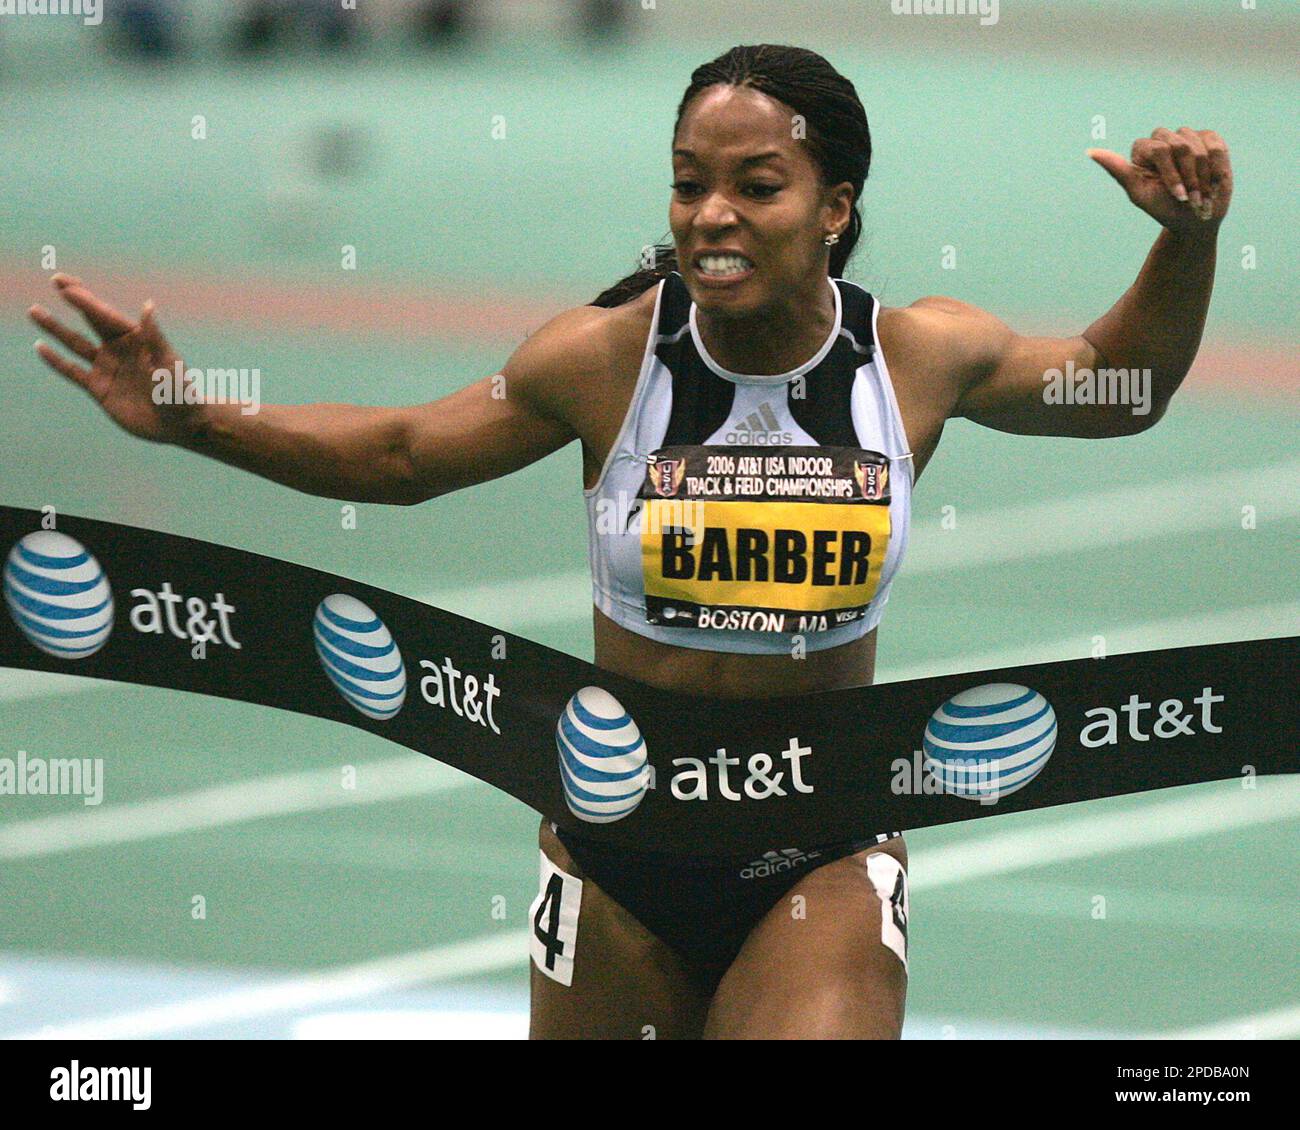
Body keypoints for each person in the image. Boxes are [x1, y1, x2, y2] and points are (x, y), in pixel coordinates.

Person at [28, 44, 1232, 1040]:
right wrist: (197, 419)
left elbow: (1115, 386)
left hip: (816, 838)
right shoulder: (604, 359)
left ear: (835, 208)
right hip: (615, 842)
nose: (712, 213)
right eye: (686, 182)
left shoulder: (914, 356)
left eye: (756, 185)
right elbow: (397, 455)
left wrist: (1181, 238)